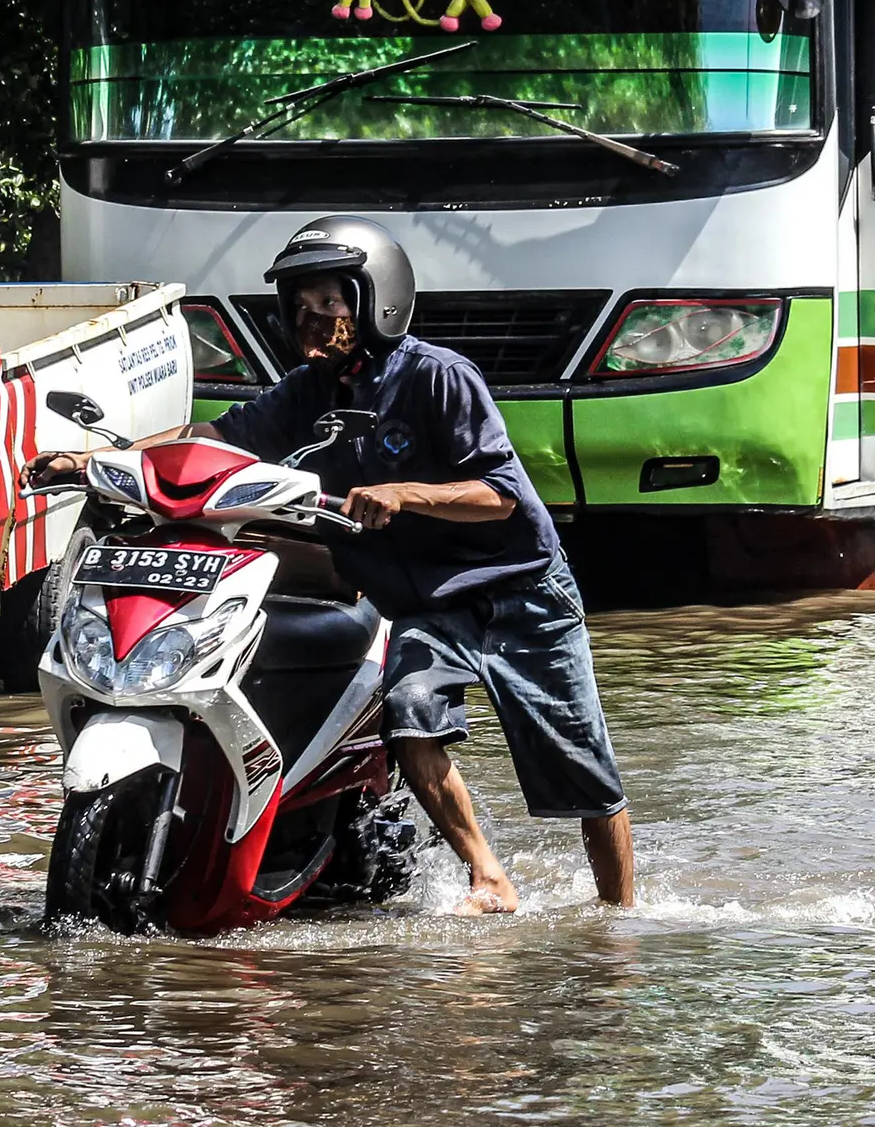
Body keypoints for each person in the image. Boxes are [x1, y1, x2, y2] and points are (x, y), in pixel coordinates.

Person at [135, 217, 634, 915]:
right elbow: (214, 436)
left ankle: (620, 928)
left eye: (329, 302)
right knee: (408, 718)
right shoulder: (307, 393)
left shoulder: (439, 377)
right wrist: (109, 459)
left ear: (377, 299)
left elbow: (501, 496)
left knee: (584, 773)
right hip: (427, 605)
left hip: (522, 594)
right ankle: (488, 877)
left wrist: (405, 494)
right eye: (300, 305)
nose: (313, 320)